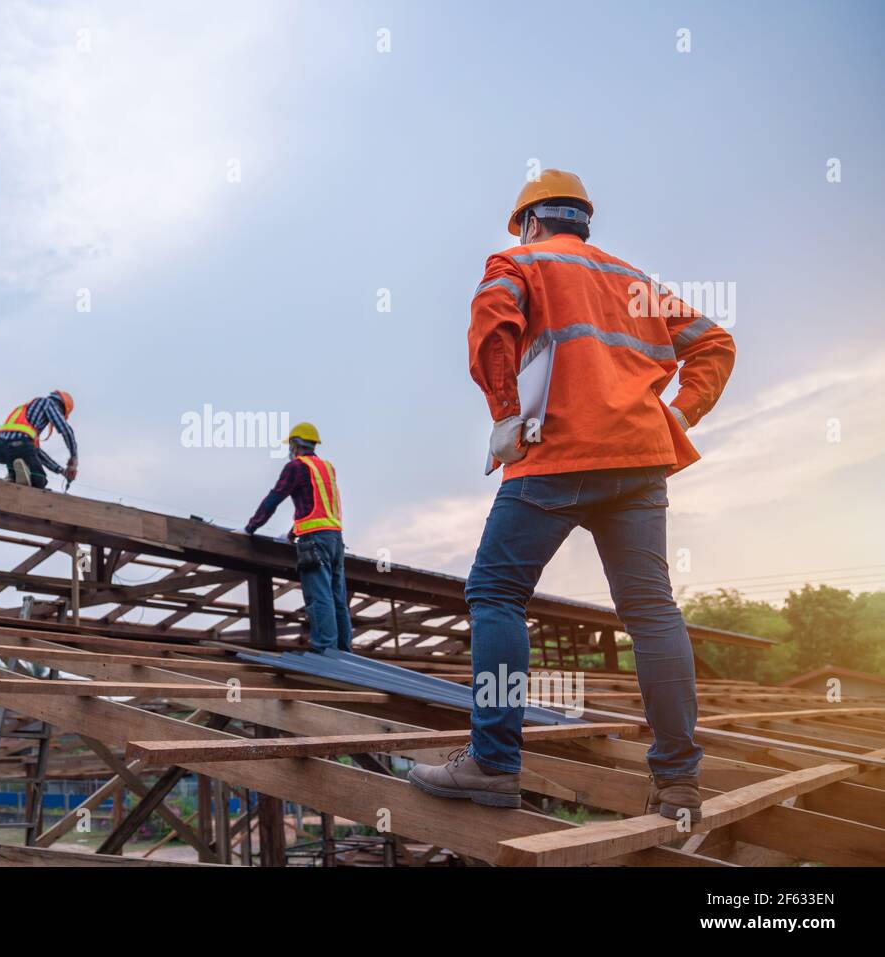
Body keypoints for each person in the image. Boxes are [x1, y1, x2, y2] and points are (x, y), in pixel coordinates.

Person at [408, 170, 736, 818]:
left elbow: (491, 327)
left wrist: (505, 411)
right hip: (639, 459)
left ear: (531, 221)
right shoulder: (632, 280)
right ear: (581, 221)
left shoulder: (519, 260)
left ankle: (494, 763)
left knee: (496, 592)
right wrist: (680, 416)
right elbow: (715, 344)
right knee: (650, 610)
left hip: (555, 454)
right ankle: (677, 783)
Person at [244, 422, 352, 653]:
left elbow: (274, 498)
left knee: (319, 596)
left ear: (295, 444)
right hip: (335, 539)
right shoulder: (327, 468)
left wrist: (250, 528)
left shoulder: (295, 467)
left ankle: (326, 652)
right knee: (337, 599)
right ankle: (344, 653)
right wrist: (293, 533)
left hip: (314, 541)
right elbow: (317, 507)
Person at [0, 390, 78, 490]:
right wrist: (74, 457)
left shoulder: (25, 414)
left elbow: (36, 452)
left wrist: (61, 471)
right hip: (18, 447)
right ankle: (22, 474)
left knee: (21, 453)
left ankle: (13, 475)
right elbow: (66, 430)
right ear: (60, 408)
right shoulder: (48, 403)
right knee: (40, 481)